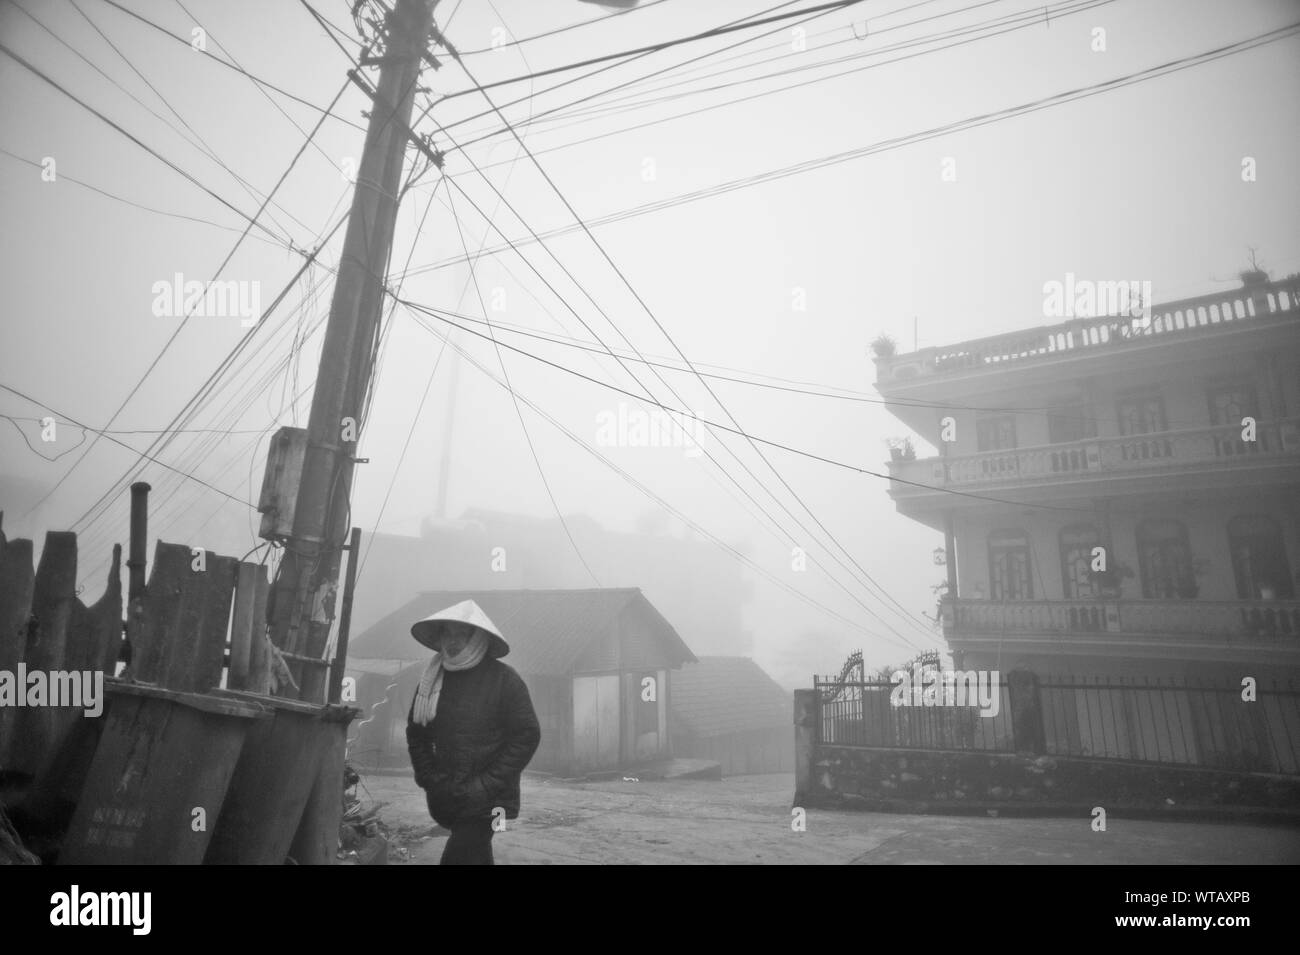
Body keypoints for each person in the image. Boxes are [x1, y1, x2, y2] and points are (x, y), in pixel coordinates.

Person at [405, 600, 540, 865]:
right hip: (447, 795)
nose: (453, 642)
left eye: (461, 635)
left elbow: (526, 736)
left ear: (478, 638)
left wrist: (485, 784)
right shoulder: (432, 681)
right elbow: (417, 734)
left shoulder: (504, 680)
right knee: (475, 856)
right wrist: (429, 778)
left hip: (491, 799)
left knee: (457, 857)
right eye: (448, 633)